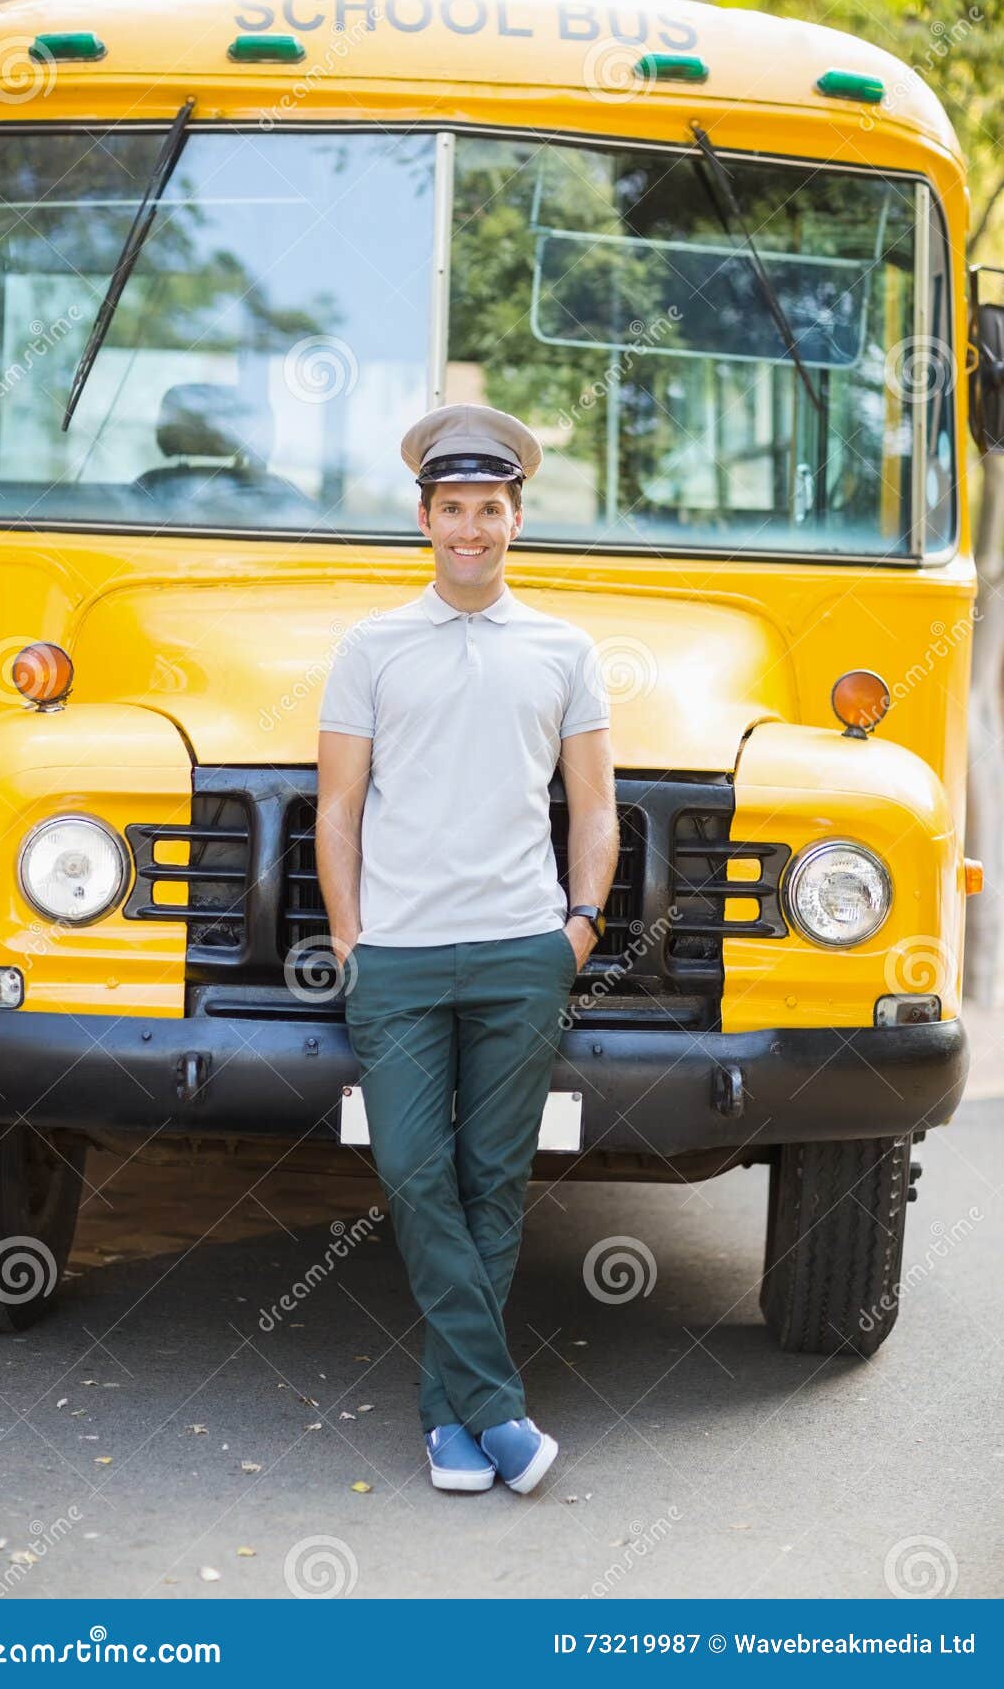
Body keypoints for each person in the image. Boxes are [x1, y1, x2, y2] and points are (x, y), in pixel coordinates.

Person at [316, 402, 618, 1495]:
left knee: (493, 1183)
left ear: (515, 518)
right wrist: (350, 940)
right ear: (424, 519)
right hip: (396, 960)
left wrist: (577, 929)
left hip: (520, 953)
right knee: (413, 1174)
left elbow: (594, 808)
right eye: (452, 508)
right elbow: (336, 811)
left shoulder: (564, 650)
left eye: (489, 508)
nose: (470, 528)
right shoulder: (370, 647)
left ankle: (451, 1422)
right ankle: (498, 1408)